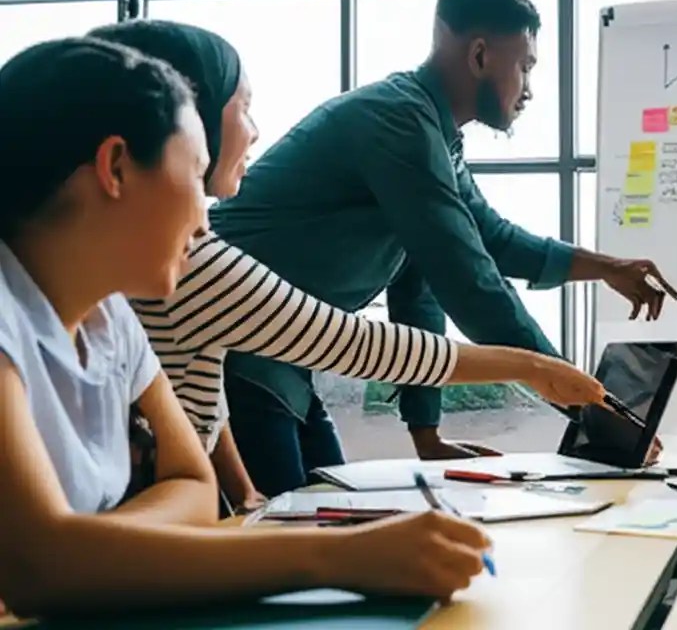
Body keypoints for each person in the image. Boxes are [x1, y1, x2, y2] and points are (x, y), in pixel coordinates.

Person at [0, 37, 488, 617]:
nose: (206, 219)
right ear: (116, 167)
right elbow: (40, 567)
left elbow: (194, 489)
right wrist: (337, 556)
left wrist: (89, 547)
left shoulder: (109, 319)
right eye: (195, 170)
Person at [87, 20, 608, 511]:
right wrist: (535, 368)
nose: (256, 131)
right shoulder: (188, 266)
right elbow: (358, 342)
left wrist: (244, 500)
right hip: (265, 367)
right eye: (241, 108)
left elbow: (200, 386)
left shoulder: (156, 272)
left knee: (331, 511)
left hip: (274, 369)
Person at [206, 0, 677, 492]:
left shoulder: (435, 136)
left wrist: (606, 268)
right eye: (524, 67)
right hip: (234, 348)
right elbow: (470, 280)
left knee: (329, 518)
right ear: (480, 56)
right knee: (294, 535)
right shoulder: (398, 123)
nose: (528, 89)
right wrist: (592, 408)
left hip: (286, 358)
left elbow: (475, 251)